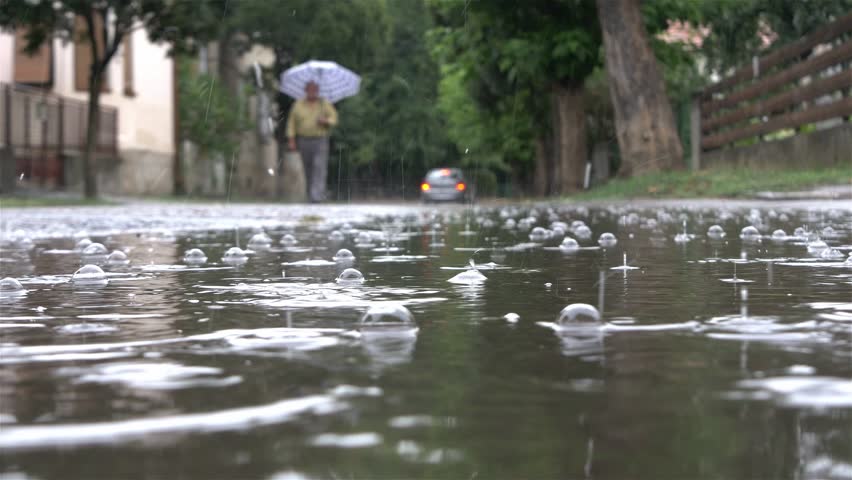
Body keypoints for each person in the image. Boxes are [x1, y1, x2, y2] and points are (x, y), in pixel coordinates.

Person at [285, 81, 338, 203]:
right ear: (306, 90)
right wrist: (291, 140)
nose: (312, 92)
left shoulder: (324, 104)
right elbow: (291, 123)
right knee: (308, 168)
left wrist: (326, 121)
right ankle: (311, 194)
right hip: (303, 140)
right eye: (310, 89)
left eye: (315, 89)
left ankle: (317, 195)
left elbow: (334, 118)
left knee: (319, 166)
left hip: (320, 139)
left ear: (318, 90)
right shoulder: (298, 105)